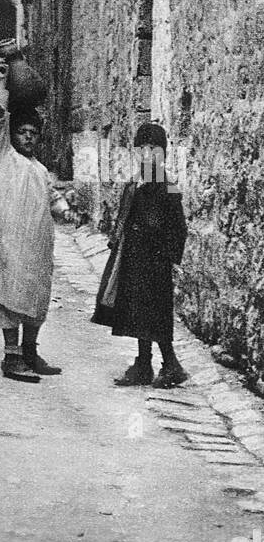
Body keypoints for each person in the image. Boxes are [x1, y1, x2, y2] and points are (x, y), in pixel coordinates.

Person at [0, 58, 61, 382]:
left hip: (36, 245)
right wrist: (2, 83)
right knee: (7, 296)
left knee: (36, 295)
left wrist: (65, 209)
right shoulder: (6, 155)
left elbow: (52, 197)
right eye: (23, 131)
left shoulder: (40, 169)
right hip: (6, 242)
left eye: (34, 133)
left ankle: (31, 352)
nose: (28, 137)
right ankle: (11, 357)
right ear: (13, 134)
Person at [92, 121, 188, 388]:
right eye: (142, 149)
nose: (147, 155)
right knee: (137, 314)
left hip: (155, 263)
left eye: (154, 149)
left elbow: (179, 227)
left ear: (163, 154)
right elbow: (125, 217)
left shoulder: (167, 186)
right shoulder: (135, 183)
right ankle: (143, 364)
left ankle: (171, 364)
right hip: (134, 259)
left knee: (156, 315)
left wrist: (167, 256)